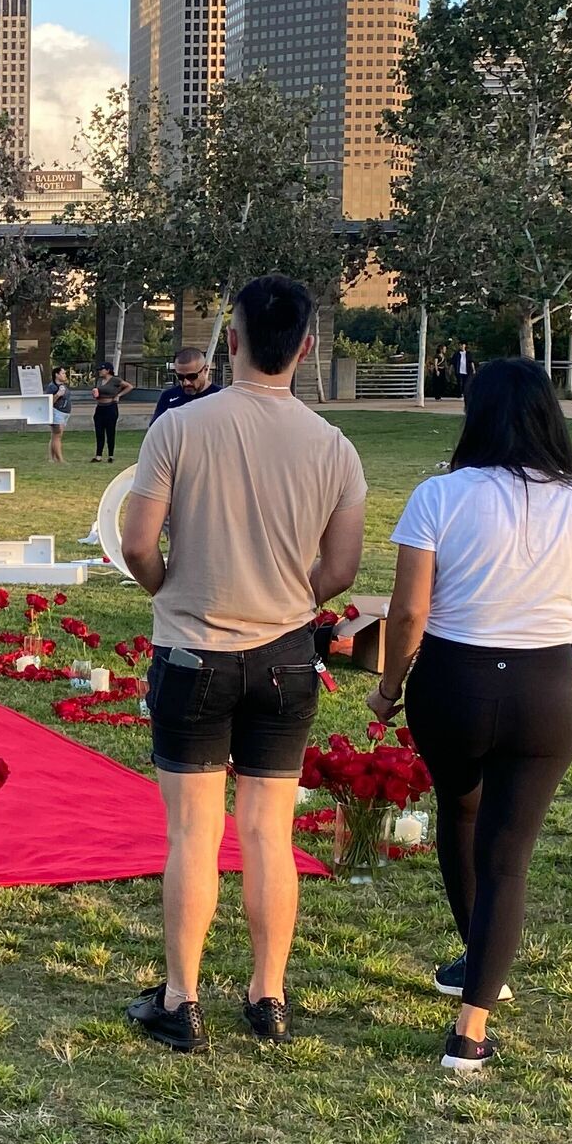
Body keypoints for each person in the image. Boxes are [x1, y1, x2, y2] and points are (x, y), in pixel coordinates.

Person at [119, 275, 367, 1052]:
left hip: (194, 652)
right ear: (306, 347)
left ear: (231, 342)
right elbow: (344, 568)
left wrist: (170, 587)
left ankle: (181, 999)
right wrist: (294, 595)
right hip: (287, 658)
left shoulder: (180, 429)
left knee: (193, 834)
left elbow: (135, 543)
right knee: (268, 832)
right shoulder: (333, 446)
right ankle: (268, 996)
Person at [366, 359, 572, 1074]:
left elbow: (409, 612)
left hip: (453, 682)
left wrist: (387, 690)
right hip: (544, 688)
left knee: (462, 815)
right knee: (510, 858)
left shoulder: (440, 494)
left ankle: (481, 962)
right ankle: (471, 1025)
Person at [149, 347, 222, 425]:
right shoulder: (168, 396)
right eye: (180, 377)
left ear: (205, 370)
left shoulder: (220, 396)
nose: (186, 383)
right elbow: (155, 429)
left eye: (192, 377)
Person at [91, 362, 129, 462]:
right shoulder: (99, 381)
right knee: (99, 432)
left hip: (110, 407)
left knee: (110, 431)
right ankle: (98, 455)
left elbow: (129, 386)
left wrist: (118, 395)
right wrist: (95, 394)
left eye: (102, 369)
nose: (100, 371)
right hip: (100, 407)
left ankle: (111, 455)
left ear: (108, 370)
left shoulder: (115, 380)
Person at [49, 366, 71, 464]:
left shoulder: (63, 385)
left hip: (64, 413)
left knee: (55, 436)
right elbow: (48, 401)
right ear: (56, 375)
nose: (65, 375)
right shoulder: (52, 387)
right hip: (57, 412)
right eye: (62, 373)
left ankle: (53, 458)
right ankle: (60, 459)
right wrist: (57, 395)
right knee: (57, 435)